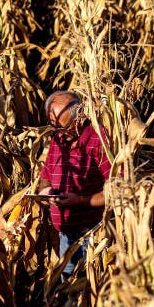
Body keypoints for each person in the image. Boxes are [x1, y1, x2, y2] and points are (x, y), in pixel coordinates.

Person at [38, 90, 111, 278]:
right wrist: (46, 191)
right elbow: (46, 175)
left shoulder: (98, 139)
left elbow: (117, 190)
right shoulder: (59, 139)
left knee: (88, 290)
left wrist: (78, 201)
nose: (60, 134)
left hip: (92, 237)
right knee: (67, 289)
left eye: (65, 128)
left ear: (80, 117)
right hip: (66, 237)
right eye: (55, 129)